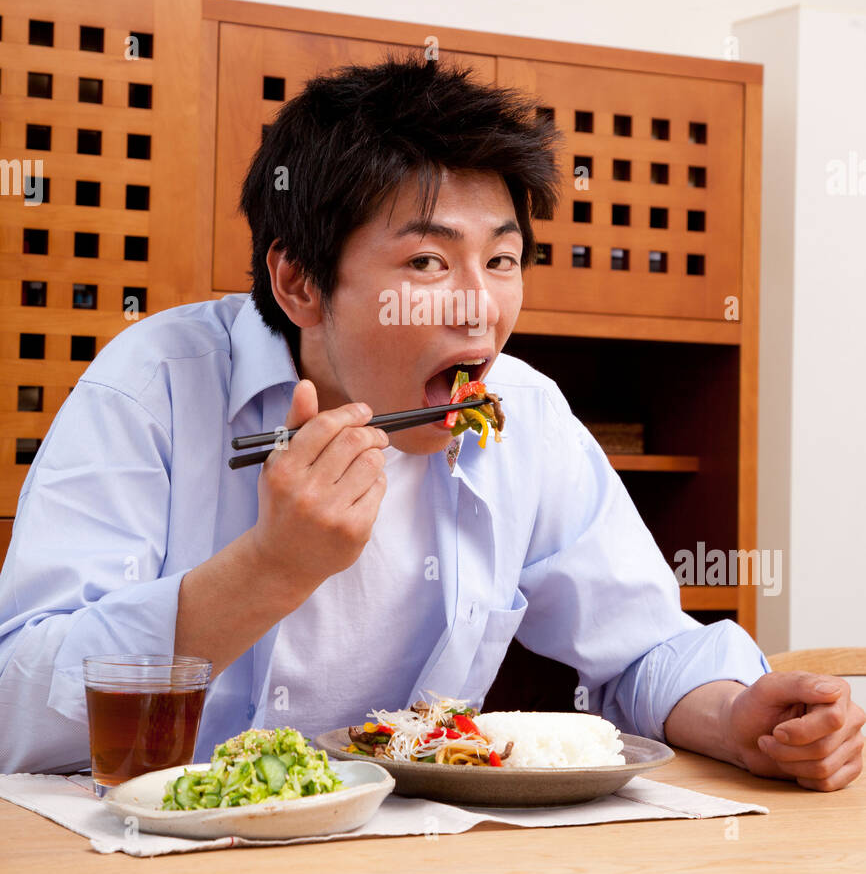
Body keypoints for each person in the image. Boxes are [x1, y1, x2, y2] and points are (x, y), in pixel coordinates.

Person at [0, 53, 862, 789]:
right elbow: (15, 708)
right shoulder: (152, 387)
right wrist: (270, 569)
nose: (479, 308)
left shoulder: (522, 411)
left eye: (501, 261)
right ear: (299, 282)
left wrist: (738, 720)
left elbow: (643, 649)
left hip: (409, 860)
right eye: (426, 260)